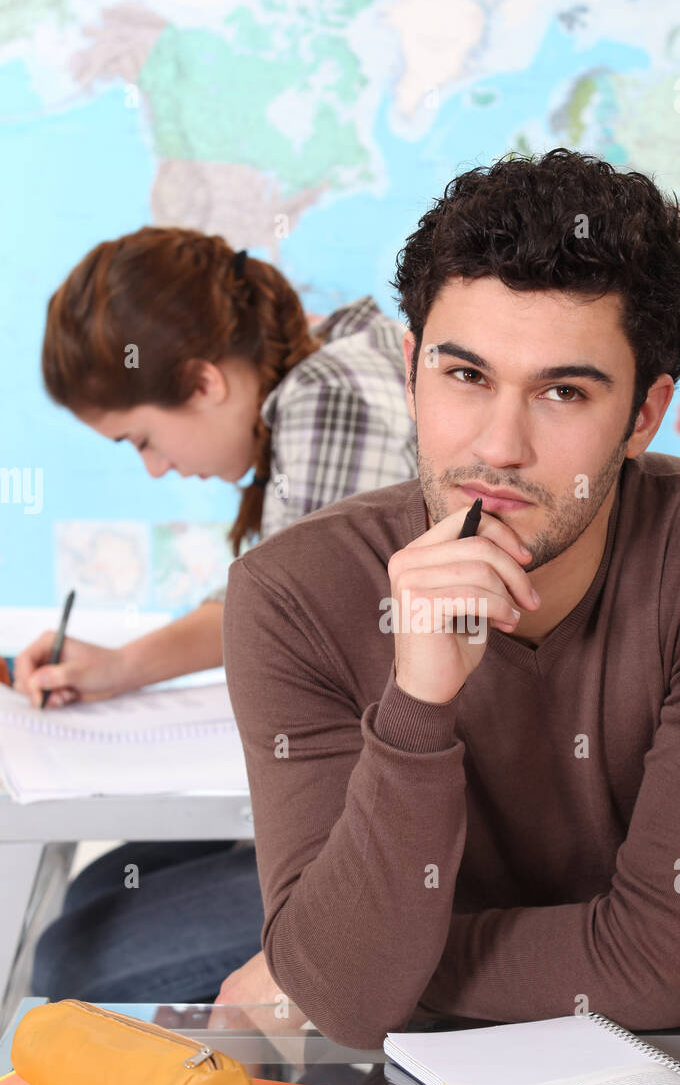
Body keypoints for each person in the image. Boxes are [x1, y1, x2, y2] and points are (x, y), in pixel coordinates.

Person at [221, 148, 680, 1045]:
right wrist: (419, 702)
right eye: (465, 377)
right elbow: (346, 1000)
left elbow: (654, 975)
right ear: (414, 367)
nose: (499, 446)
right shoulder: (290, 594)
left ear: (644, 416)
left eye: (564, 392)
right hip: (428, 1075)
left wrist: (359, 965)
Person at [15, 227, 417, 1003]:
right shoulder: (322, 364)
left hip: (411, 841)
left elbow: (291, 632)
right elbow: (273, 601)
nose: (158, 468)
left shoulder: (326, 400)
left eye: (143, 440)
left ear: (202, 384)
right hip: (369, 805)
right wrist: (122, 666)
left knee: (73, 960)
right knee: (96, 891)